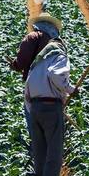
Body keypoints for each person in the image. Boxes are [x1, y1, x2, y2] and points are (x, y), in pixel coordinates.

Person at [23, 17, 75, 176]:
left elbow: (28, 85)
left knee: (39, 149)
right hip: (50, 107)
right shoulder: (59, 54)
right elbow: (56, 76)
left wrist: (31, 107)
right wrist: (70, 90)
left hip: (35, 106)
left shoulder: (38, 60)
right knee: (54, 151)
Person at [10, 12, 65, 141]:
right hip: (55, 86)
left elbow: (22, 60)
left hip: (35, 85)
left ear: (38, 25)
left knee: (32, 114)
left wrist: (15, 65)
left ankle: (38, 145)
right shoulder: (58, 42)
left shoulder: (33, 37)